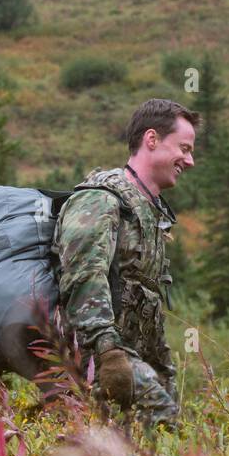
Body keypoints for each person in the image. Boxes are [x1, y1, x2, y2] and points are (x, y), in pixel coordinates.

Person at [52, 98, 199, 428]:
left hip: (133, 357)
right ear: (151, 139)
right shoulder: (101, 199)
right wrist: (109, 353)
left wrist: (163, 372)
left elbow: (145, 299)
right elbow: (82, 277)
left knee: (159, 444)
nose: (190, 161)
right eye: (184, 148)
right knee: (164, 427)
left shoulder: (149, 211)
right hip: (99, 357)